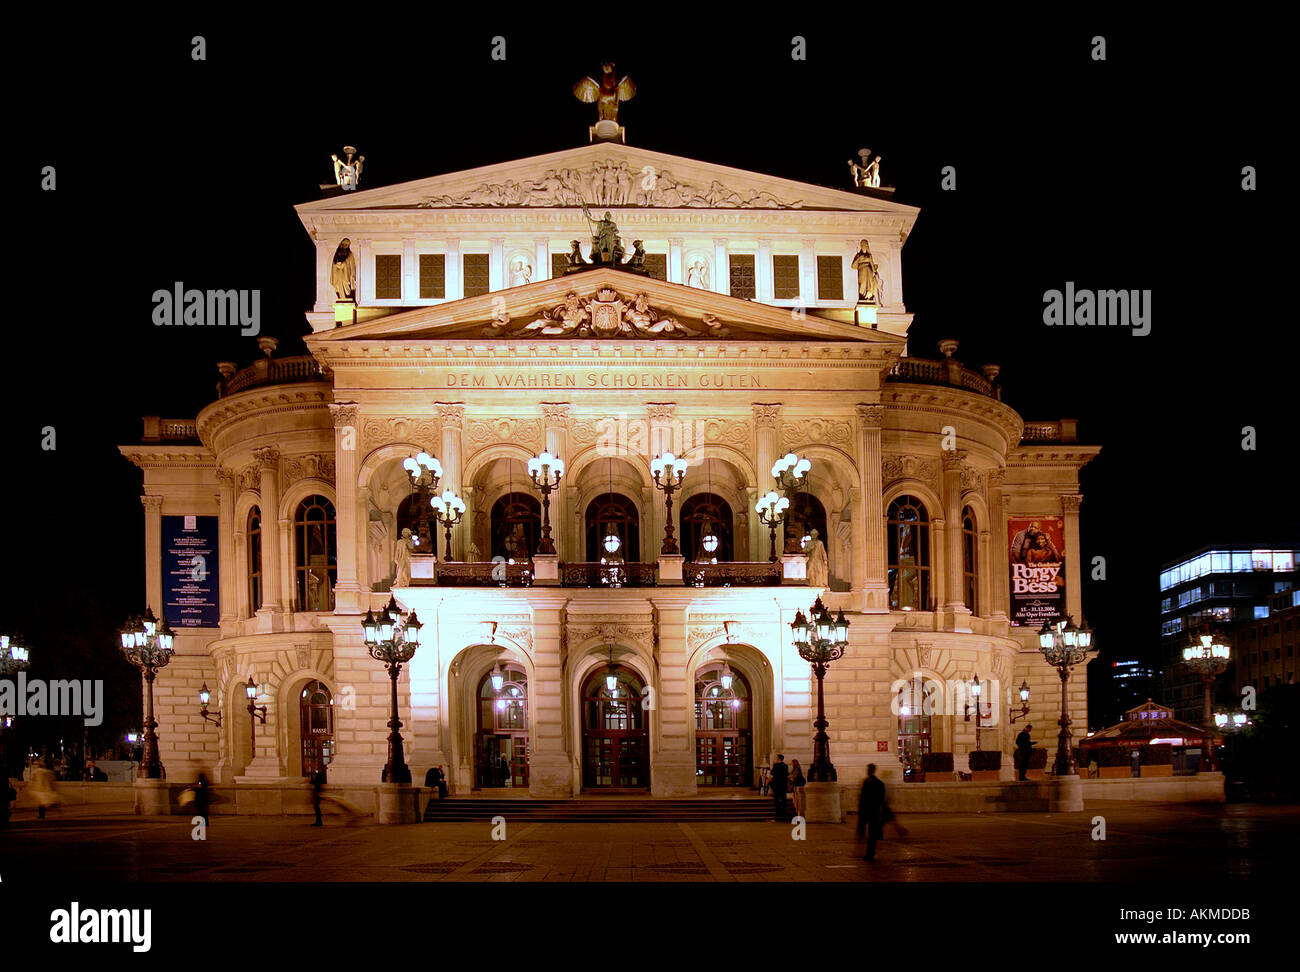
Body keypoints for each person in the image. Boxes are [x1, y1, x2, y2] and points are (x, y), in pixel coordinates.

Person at [857, 763, 886, 862]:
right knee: (872, 834)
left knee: (871, 835)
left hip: (870, 811)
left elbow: (864, 798)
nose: (867, 771)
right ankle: (870, 854)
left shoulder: (869, 782)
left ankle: (870, 854)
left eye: (868, 769)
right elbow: (882, 798)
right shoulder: (878, 783)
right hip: (873, 811)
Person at [769, 754, 790, 821]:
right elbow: (787, 774)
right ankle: (784, 814)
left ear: (778, 759)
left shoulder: (776, 765)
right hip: (783, 785)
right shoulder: (785, 766)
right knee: (783, 799)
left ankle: (778, 814)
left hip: (777, 784)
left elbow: (772, 773)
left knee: (777, 800)